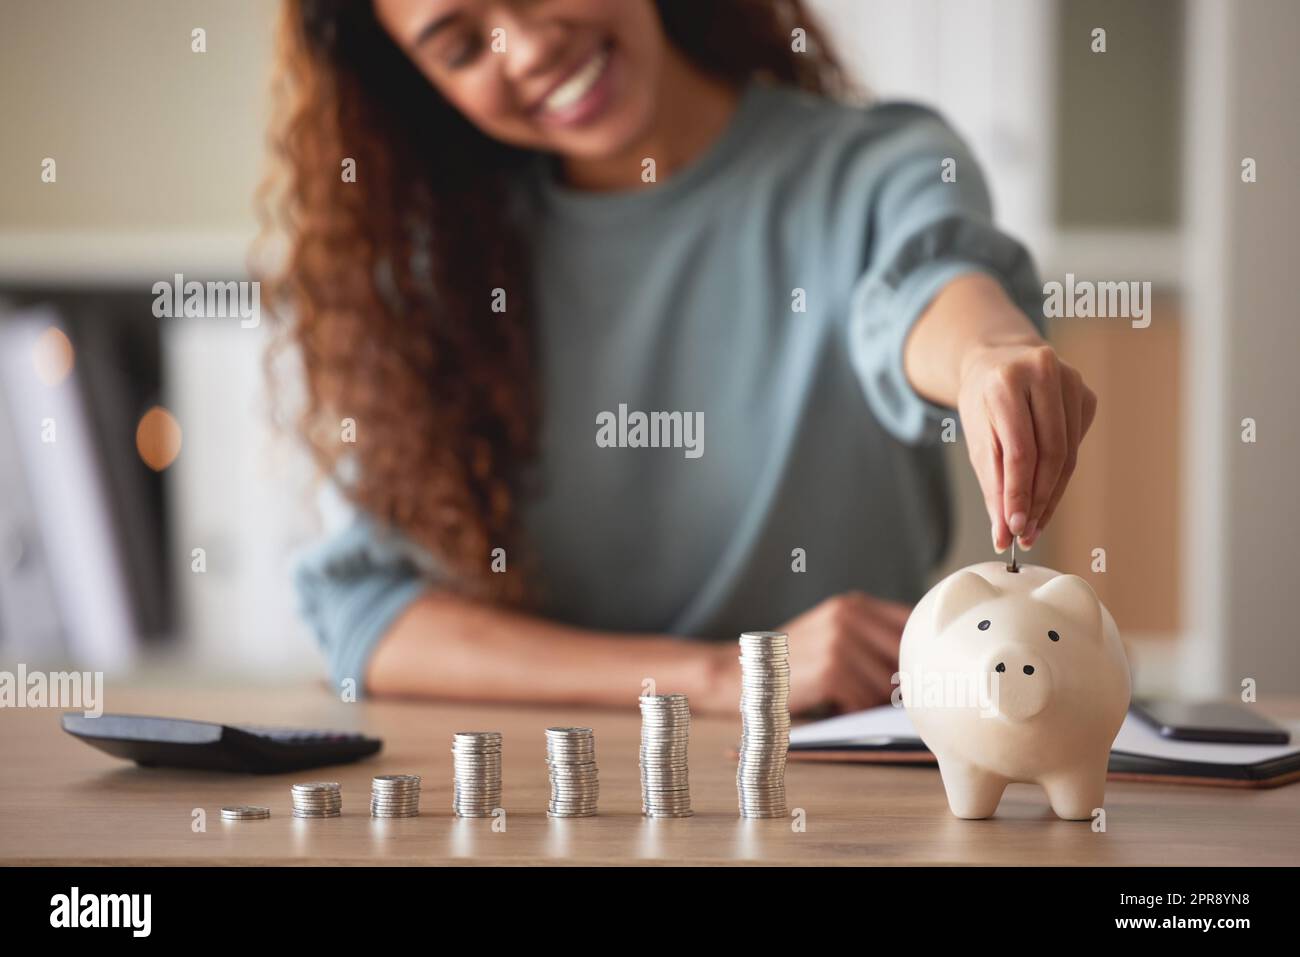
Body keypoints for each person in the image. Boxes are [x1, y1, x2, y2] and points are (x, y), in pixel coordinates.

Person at [264, 0, 1096, 716]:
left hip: (845, 794)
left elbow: (928, 290)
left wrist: (991, 352)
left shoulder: (874, 168)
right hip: (562, 804)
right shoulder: (434, 271)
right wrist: (715, 676)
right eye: (462, 46)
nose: (527, 45)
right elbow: (367, 615)